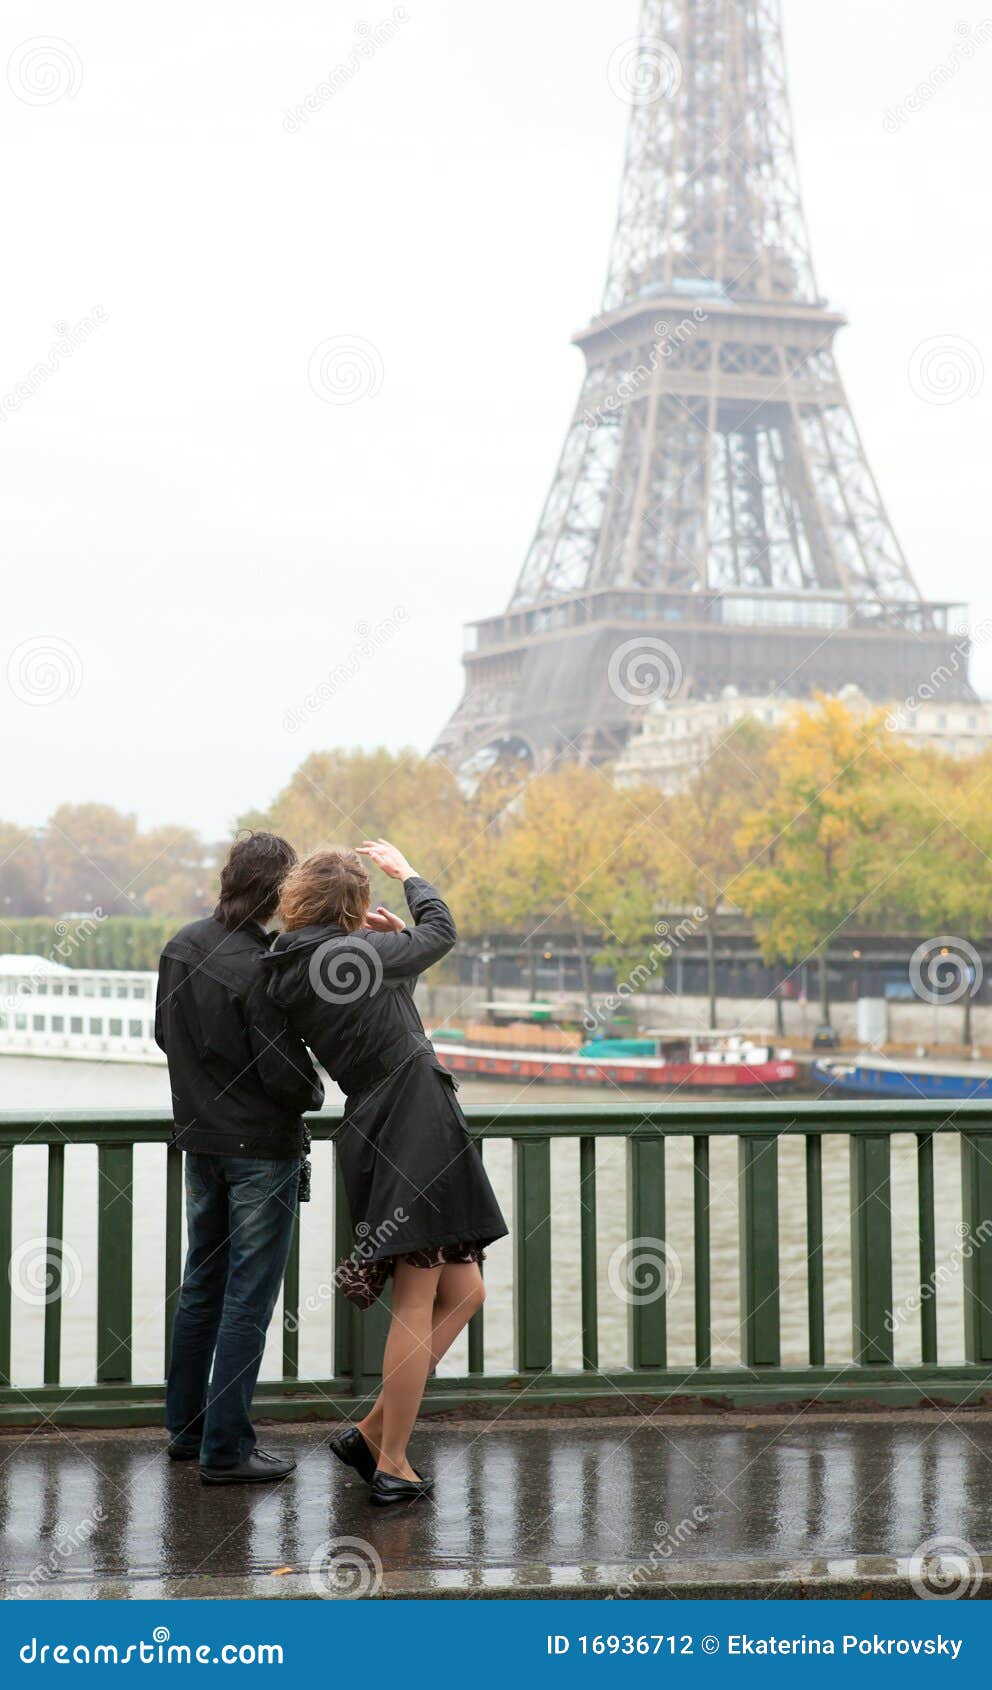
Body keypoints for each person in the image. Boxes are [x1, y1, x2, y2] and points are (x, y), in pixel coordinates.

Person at [263, 838, 507, 1506]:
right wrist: (411, 874)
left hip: (385, 1119)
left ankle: (371, 1432)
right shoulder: (354, 955)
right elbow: (444, 932)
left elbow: (385, 1010)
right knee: (417, 1297)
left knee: (464, 1293)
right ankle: (393, 1463)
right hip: (414, 1122)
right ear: (354, 904)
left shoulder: (302, 963)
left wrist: (394, 943)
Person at [156, 831, 324, 1485]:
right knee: (248, 1300)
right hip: (260, 1151)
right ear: (278, 892)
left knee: (202, 1284)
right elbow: (288, 1079)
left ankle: (186, 1430)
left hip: (200, 1141)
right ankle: (226, 1451)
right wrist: (315, 1088)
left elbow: (163, 1034)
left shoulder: (181, 945)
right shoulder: (263, 967)